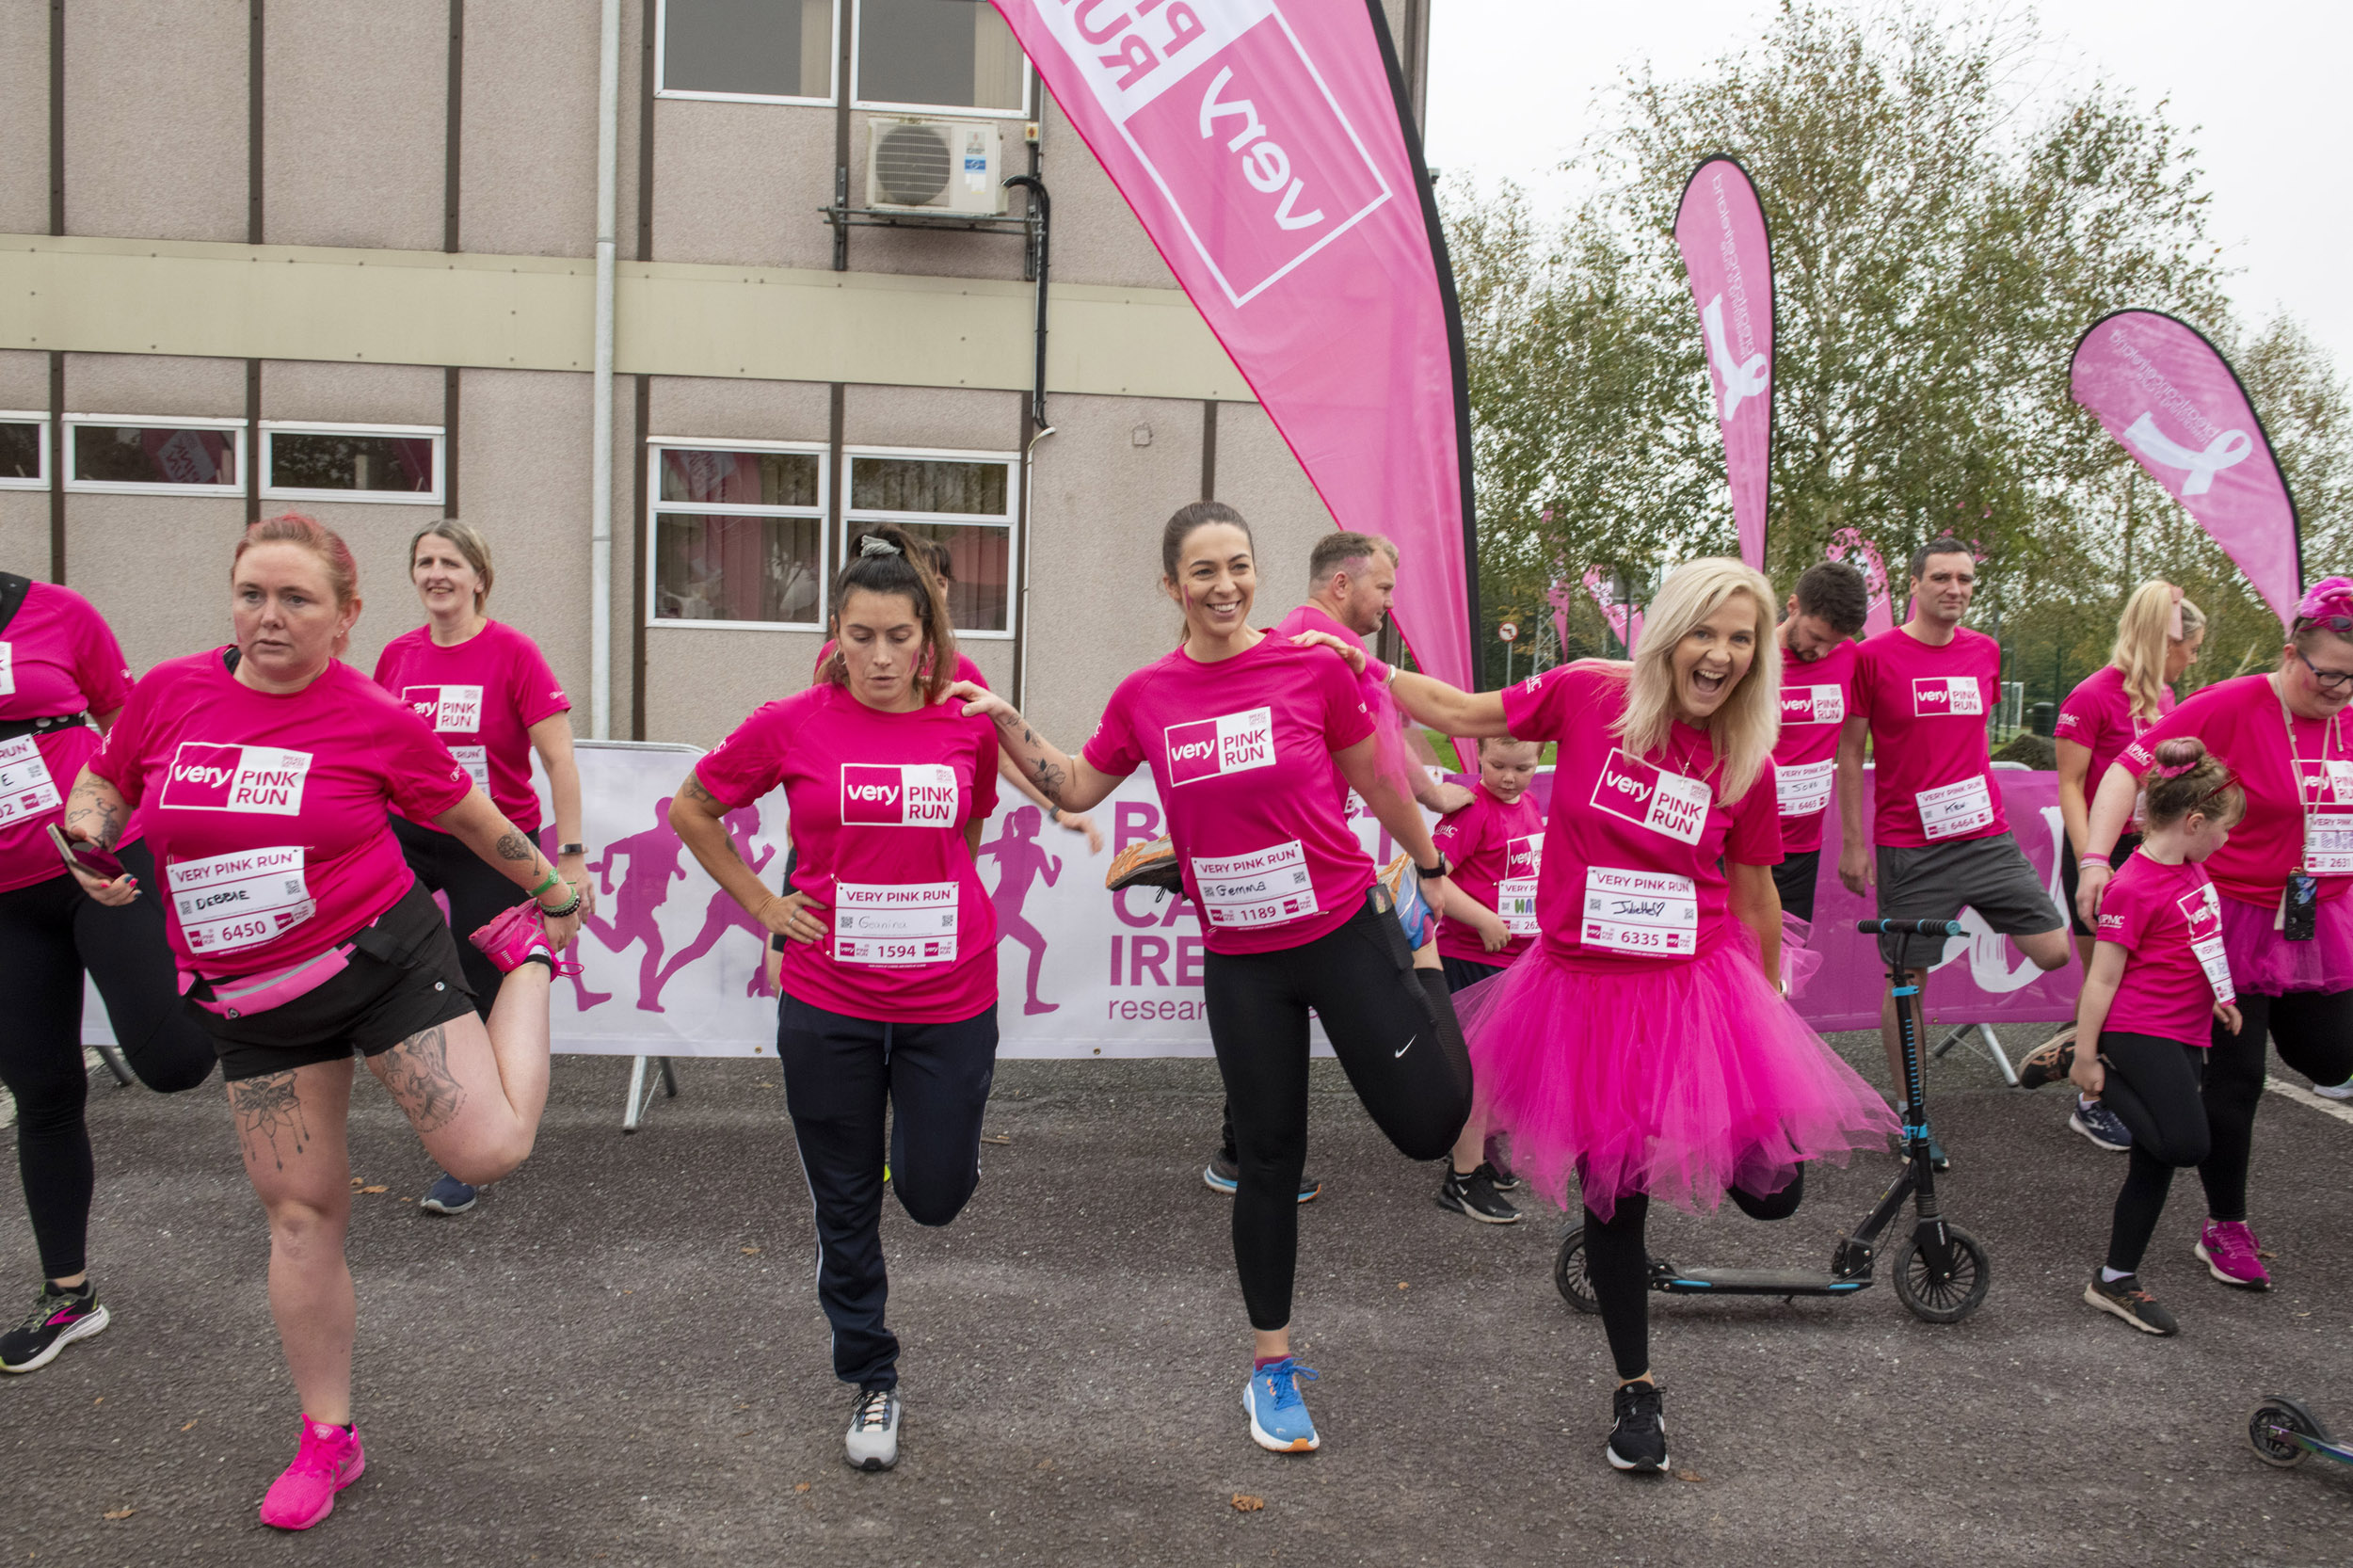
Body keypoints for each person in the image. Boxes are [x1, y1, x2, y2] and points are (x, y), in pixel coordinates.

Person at [66, 513, 582, 1531]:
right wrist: (88, 839)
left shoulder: (374, 715)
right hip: (254, 1006)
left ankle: (526, 962)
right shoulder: (168, 695)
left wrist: (554, 890)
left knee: (486, 1148)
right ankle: (327, 1437)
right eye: (253, 593)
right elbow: (105, 784)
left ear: (345, 619)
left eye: (297, 599)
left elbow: (469, 815)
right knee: (301, 1217)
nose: (270, 617)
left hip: (382, 966)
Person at [946, 502, 1473, 1456]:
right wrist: (1004, 719)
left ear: (1254, 574)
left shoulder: (1313, 667)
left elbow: (1379, 783)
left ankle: (1418, 949)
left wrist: (1428, 870)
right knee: (1265, 1161)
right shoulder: (1147, 694)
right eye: (1202, 571)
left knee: (1430, 1125)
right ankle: (1270, 1368)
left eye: (1237, 565)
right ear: (1171, 587)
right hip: (1242, 962)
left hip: (1340, 929)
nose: (1223, 586)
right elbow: (1072, 784)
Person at [1385, 558, 1896, 1474]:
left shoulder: (1746, 760)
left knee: (1775, 1196)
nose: (1723, 654)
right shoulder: (1586, 695)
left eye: (1742, 638)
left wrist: (1769, 1023)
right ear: (1670, 631)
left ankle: (1736, 1149)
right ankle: (1636, 1390)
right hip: (1579, 994)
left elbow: (1756, 900)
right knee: (1612, 1203)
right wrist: (1351, 666)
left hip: (1696, 994)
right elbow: (1460, 712)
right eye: (1707, 631)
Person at [670, 525, 1000, 1475]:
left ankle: (930, 1153)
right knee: (846, 1204)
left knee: (934, 1196)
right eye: (863, 635)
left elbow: (970, 822)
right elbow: (692, 805)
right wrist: (766, 904)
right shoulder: (792, 721)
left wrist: (928, 899)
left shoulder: (965, 720)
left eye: (901, 636)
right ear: (836, 634)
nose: (883, 657)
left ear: (927, 635)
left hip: (948, 993)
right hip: (829, 1001)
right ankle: (872, 1377)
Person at [2073, 578, 2353, 1290]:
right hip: (2230, 917)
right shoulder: (2231, 705)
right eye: (2328, 674)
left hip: (2324, 915)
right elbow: (2122, 772)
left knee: (2330, 1054)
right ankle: (2226, 1224)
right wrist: (2098, 860)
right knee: (2238, 1079)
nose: (2341, 689)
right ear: (2292, 652)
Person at [1201, 529, 1476, 1203]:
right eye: (1383, 587)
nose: (1390, 603)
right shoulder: (1317, 649)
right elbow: (1383, 758)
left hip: (1287, 866)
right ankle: (1251, 1156)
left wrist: (1432, 795)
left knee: (1272, 1019)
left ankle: (1249, 1156)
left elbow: (1383, 731)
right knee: (1396, 985)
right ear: (1342, 585)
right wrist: (1430, 844)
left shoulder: (1310, 641)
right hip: (1305, 872)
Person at [0, 573, 216, 1375]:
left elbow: (125, 727)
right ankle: (70, 1295)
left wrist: (134, 826)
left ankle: (241, 981)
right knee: (44, 1093)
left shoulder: (58, 612)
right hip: (3, 907)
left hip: (99, 870)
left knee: (175, 1063)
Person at [374, 520, 591, 1216]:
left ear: (478, 577)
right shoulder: (397, 657)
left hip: (493, 841)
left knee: (489, 985)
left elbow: (559, 759)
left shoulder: (512, 653)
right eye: (424, 562)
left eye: (449, 563)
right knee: (378, 957)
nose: (435, 573)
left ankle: (477, 1148)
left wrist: (571, 857)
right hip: (410, 834)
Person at [1836, 536, 2070, 1167]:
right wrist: (1854, 844)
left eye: (1966, 579)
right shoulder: (1873, 657)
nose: (1956, 590)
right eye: (1942, 577)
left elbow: (1964, 741)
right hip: (1910, 846)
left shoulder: (1984, 652)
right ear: (1914, 584)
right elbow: (1850, 754)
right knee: (1907, 979)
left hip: (1984, 836)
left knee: (2052, 950)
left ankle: (2071, 1043)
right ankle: (1913, 1117)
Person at [2057, 740, 2245, 1336]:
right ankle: (2080, 1065)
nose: (2226, 839)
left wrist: (2221, 994)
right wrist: (2090, 1058)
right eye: (2223, 829)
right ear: (2193, 823)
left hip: (2186, 1029)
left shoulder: (2193, 867)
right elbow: (2103, 978)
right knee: (2188, 1144)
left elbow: (2199, 938)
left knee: (2155, 1159)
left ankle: (2115, 1279)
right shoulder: (2132, 886)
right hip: (2140, 1031)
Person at [2025, 582, 2206, 1152]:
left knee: (2139, 978)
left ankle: (2107, 1075)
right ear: (2164, 639)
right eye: (2189, 645)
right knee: (2105, 975)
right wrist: (2092, 860)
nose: (2193, 657)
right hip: (2102, 853)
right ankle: (2089, 1098)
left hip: (2153, 854)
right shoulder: (2091, 696)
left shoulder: (2170, 699)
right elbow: (2072, 787)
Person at [1426, 734, 1544, 1224]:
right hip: (1471, 959)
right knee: (1476, 1073)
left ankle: (1485, 1154)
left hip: (1516, 961)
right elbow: (1428, 876)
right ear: (1478, 756)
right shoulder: (1473, 812)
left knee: (1506, 1067)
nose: (1509, 778)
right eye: (1497, 765)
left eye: (1522, 767)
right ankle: (1462, 1178)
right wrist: (1482, 919)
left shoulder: (1531, 803)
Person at [1771, 561, 1870, 925]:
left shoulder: (1850, 657)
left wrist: (1853, 842)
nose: (1823, 652)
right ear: (1793, 607)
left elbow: (1851, 752)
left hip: (1801, 851)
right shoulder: (1751, 659)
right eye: (1815, 637)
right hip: (1738, 849)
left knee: (1784, 972)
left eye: (1836, 642)